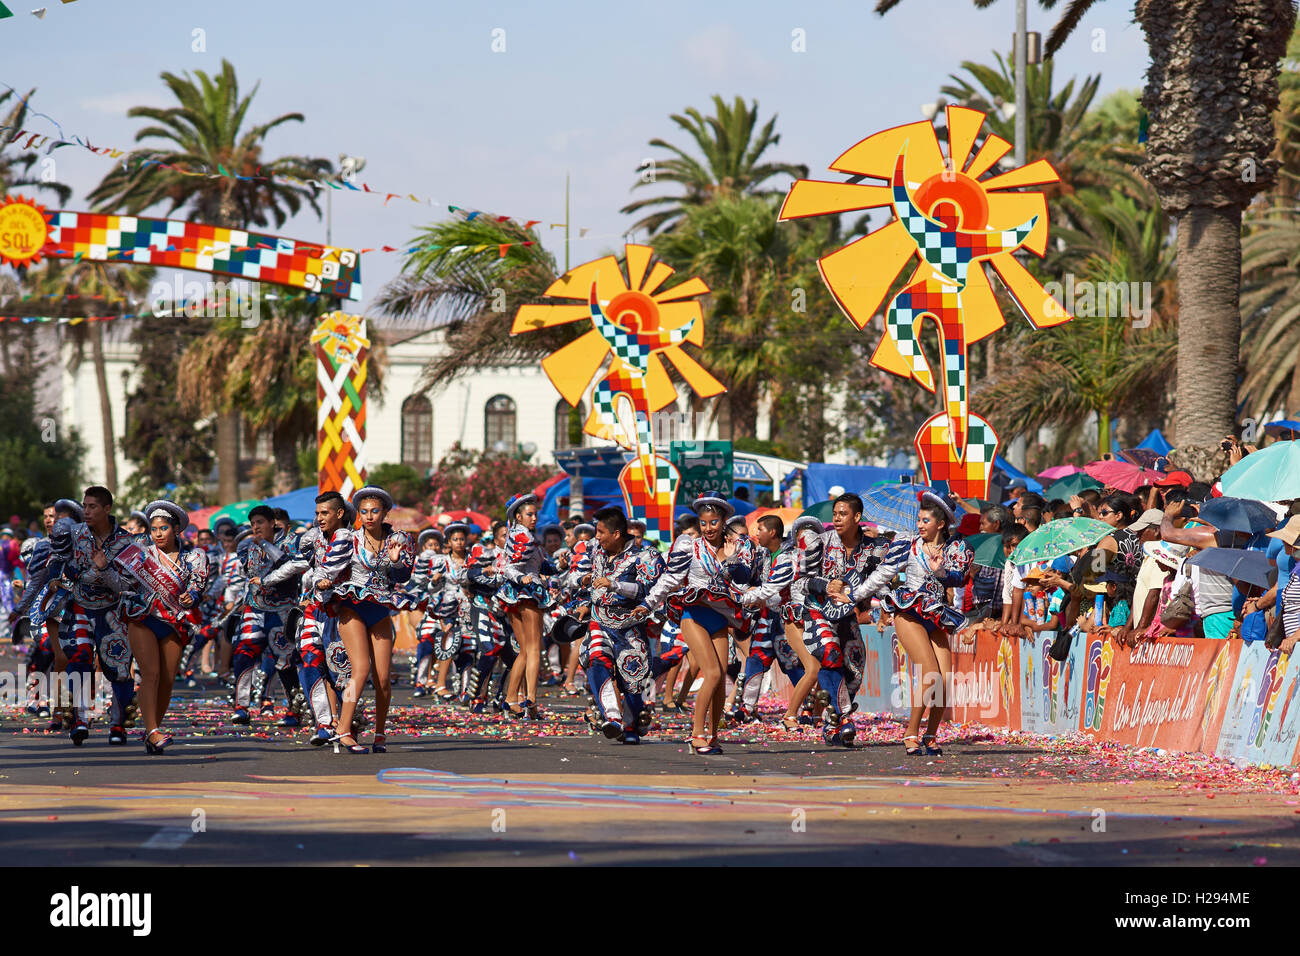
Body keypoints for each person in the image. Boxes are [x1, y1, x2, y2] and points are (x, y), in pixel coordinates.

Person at [841, 492, 973, 756]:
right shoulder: (908, 545)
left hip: (936, 616)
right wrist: (853, 594)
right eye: (919, 520)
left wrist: (941, 572)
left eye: (926, 520)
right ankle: (911, 731)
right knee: (929, 671)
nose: (920, 525)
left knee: (945, 679)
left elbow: (959, 579)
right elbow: (882, 575)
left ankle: (931, 735)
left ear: (941, 523)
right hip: (909, 611)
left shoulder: (956, 548)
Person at [638, 492, 755, 755]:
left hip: (720, 618)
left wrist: (731, 559)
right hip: (693, 614)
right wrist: (647, 604)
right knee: (712, 673)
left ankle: (713, 735)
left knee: (720, 679)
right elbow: (669, 580)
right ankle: (696, 734)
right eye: (704, 523)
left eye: (714, 522)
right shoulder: (689, 546)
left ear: (723, 521)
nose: (708, 528)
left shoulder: (736, 546)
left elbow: (743, 581)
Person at [320, 486, 414, 753]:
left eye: (374, 511)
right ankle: (344, 730)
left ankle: (380, 733)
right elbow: (328, 567)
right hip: (353, 607)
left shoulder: (399, 539)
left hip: (381, 609)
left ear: (385, 512)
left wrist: (395, 561)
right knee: (360, 669)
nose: (369, 516)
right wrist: (323, 580)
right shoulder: (349, 538)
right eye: (364, 512)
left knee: (383, 678)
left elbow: (403, 576)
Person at [50, 486, 138, 746]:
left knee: (119, 669)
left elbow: (127, 586)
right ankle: (79, 719)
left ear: (107, 509)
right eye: (84, 506)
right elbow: (58, 561)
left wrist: (103, 569)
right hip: (78, 607)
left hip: (113, 614)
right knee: (78, 660)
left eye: (92, 507)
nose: (86, 511)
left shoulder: (126, 542)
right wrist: (56, 579)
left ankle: (117, 724)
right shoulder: (75, 535)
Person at [120, 501, 208, 755]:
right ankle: (152, 731)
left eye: (164, 528)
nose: (158, 534)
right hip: (143, 618)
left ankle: (153, 729)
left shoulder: (195, 557)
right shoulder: (141, 554)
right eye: (154, 529)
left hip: (174, 621)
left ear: (176, 529)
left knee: (168, 680)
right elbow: (121, 582)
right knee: (151, 674)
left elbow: (197, 586)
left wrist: (191, 596)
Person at [802, 493, 887, 747]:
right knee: (830, 653)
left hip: (847, 616)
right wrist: (826, 584)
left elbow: (881, 582)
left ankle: (832, 725)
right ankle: (845, 718)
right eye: (835, 514)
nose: (836, 519)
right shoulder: (819, 542)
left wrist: (886, 607)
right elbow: (802, 580)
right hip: (817, 611)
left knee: (854, 669)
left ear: (857, 517)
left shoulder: (875, 548)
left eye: (843, 514)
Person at [577, 506, 665, 743]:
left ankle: (629, 726)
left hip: (630, 626)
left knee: (633, 679)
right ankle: (612, 717)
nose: (597, 537)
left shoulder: (646, 556)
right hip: (599, 621)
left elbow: (649, 590)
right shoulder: (597, 552)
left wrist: (615, 585)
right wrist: (586, 596)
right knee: (597, 659)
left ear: (616, 534)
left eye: (600, 532)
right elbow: (582, 579)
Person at [230, 505, 308, 726]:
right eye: (253, 524)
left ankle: (294, 711)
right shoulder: (246, 546)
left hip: (283, 612)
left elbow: (289, 564)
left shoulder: (292, 541)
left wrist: (264, 543)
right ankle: (241, 707)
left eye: (260, 523)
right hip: (255, 608)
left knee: (285, 662)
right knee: (243, 653)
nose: (256, 527)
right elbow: (247, 572)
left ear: (273, 522)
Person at [295, 492, 355, 745]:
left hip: (338, 612)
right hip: (314, 609)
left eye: (325, 513)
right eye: (317, 513)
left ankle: (346, 723)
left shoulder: (345, 537)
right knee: (309, 661)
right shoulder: (316, 536)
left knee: (339, 672)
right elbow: (304, 559)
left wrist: (318, 580)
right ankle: (324, 723)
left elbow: (327, 568)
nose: (319, 518)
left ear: (339, 514)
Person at [499, 493, 558, 719]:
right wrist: (521, 578)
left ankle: (511, 699)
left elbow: (540, 564)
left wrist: (558, 565)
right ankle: (531, 700)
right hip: (527, 593)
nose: (534, 518)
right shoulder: (523, 536)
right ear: (518, 516)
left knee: (525, 650)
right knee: (535, 648)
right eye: (529, 514)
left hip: (514, 595)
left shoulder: (518, 534)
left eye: (535, 514)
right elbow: (510, 566)